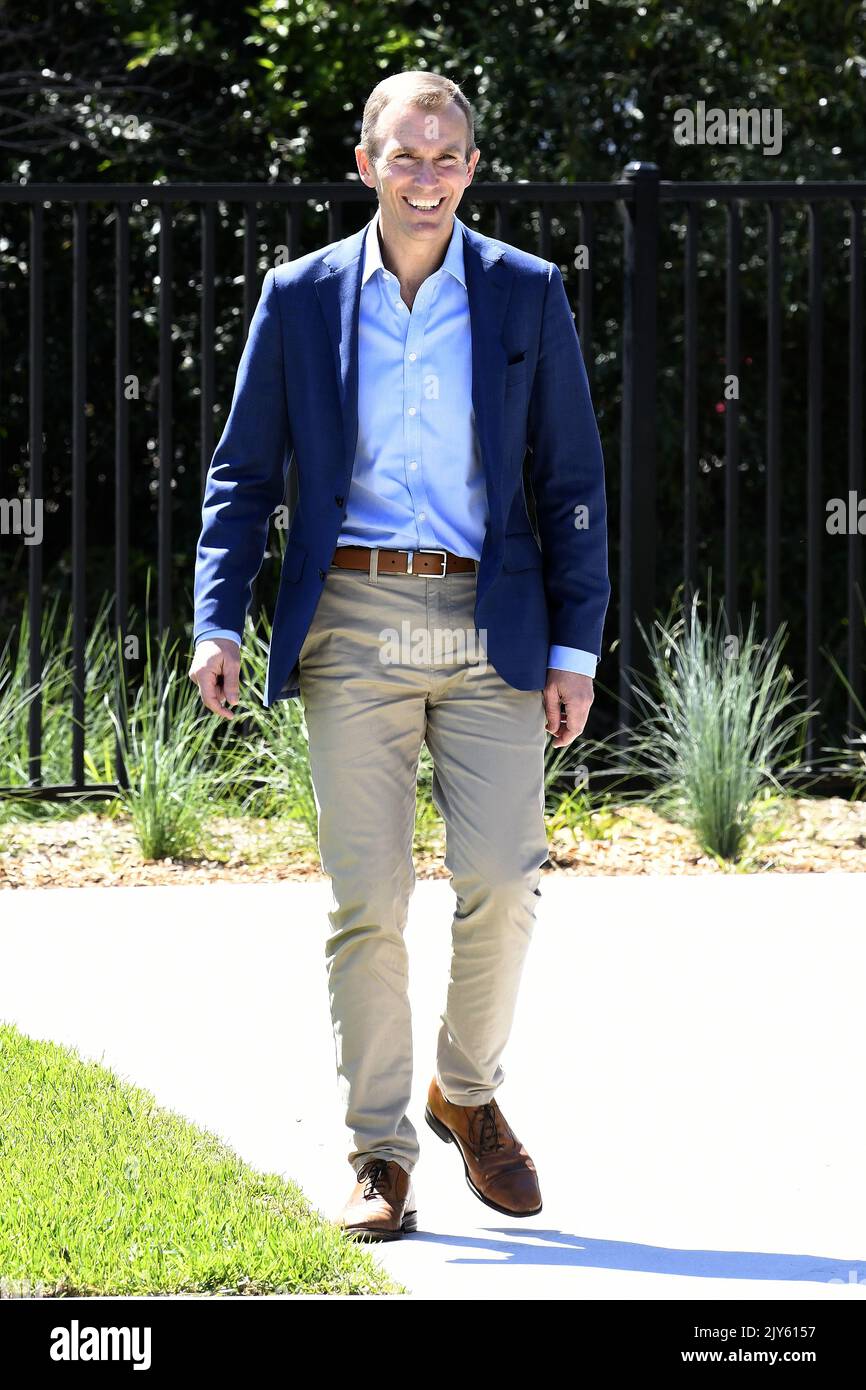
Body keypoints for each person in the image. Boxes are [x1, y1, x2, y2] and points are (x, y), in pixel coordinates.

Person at [189, 70, 610, 1242]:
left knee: (503, 877)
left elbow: (570, 482)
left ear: (470, 168)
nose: (426, 178)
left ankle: (463, 1094)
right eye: (403, 156)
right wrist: (214, 617)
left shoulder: (526, 295)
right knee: (366, 899)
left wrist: (573, 646)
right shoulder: (299, 296)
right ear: (364, 161)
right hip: (354, 621)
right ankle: (379, 1151)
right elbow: (242, 474)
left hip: (491, 620)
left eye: (447, 157)